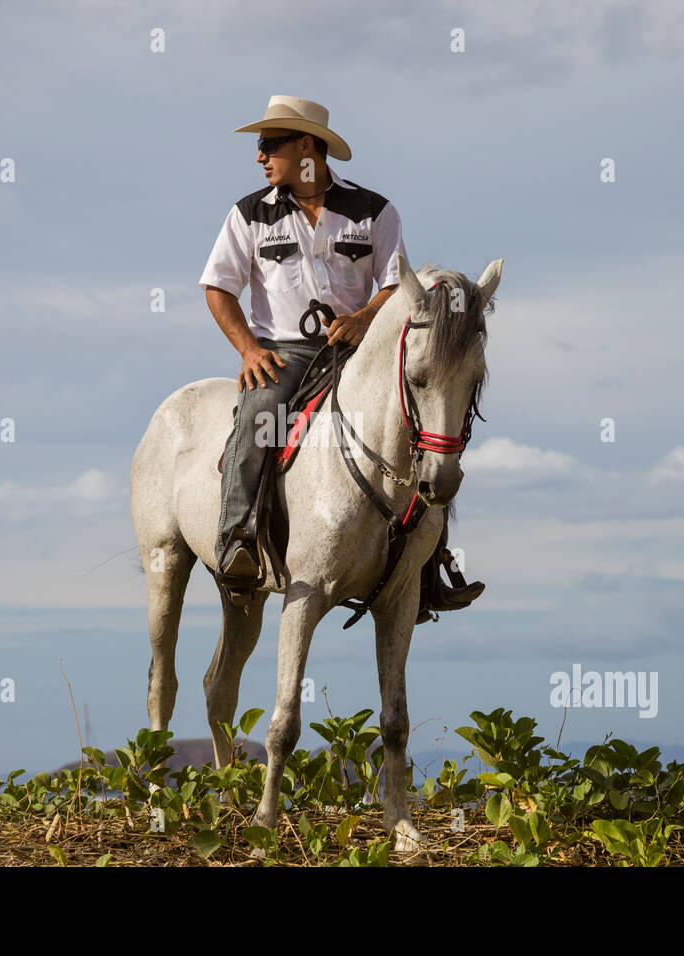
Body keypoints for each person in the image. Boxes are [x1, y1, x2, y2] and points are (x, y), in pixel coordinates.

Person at [198, 95, 482, 618]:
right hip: (282, 354)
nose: (260, 157)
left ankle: (428, 566)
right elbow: (218, 287)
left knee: (417, 428)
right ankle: (238, 541)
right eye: (261, 148)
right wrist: (248, 349)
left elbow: (398, 286)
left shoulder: (375, 210)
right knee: (261, 416)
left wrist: (364, 319)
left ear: (306, 146)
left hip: (357, 351)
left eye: (269, 145)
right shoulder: (249, 213)